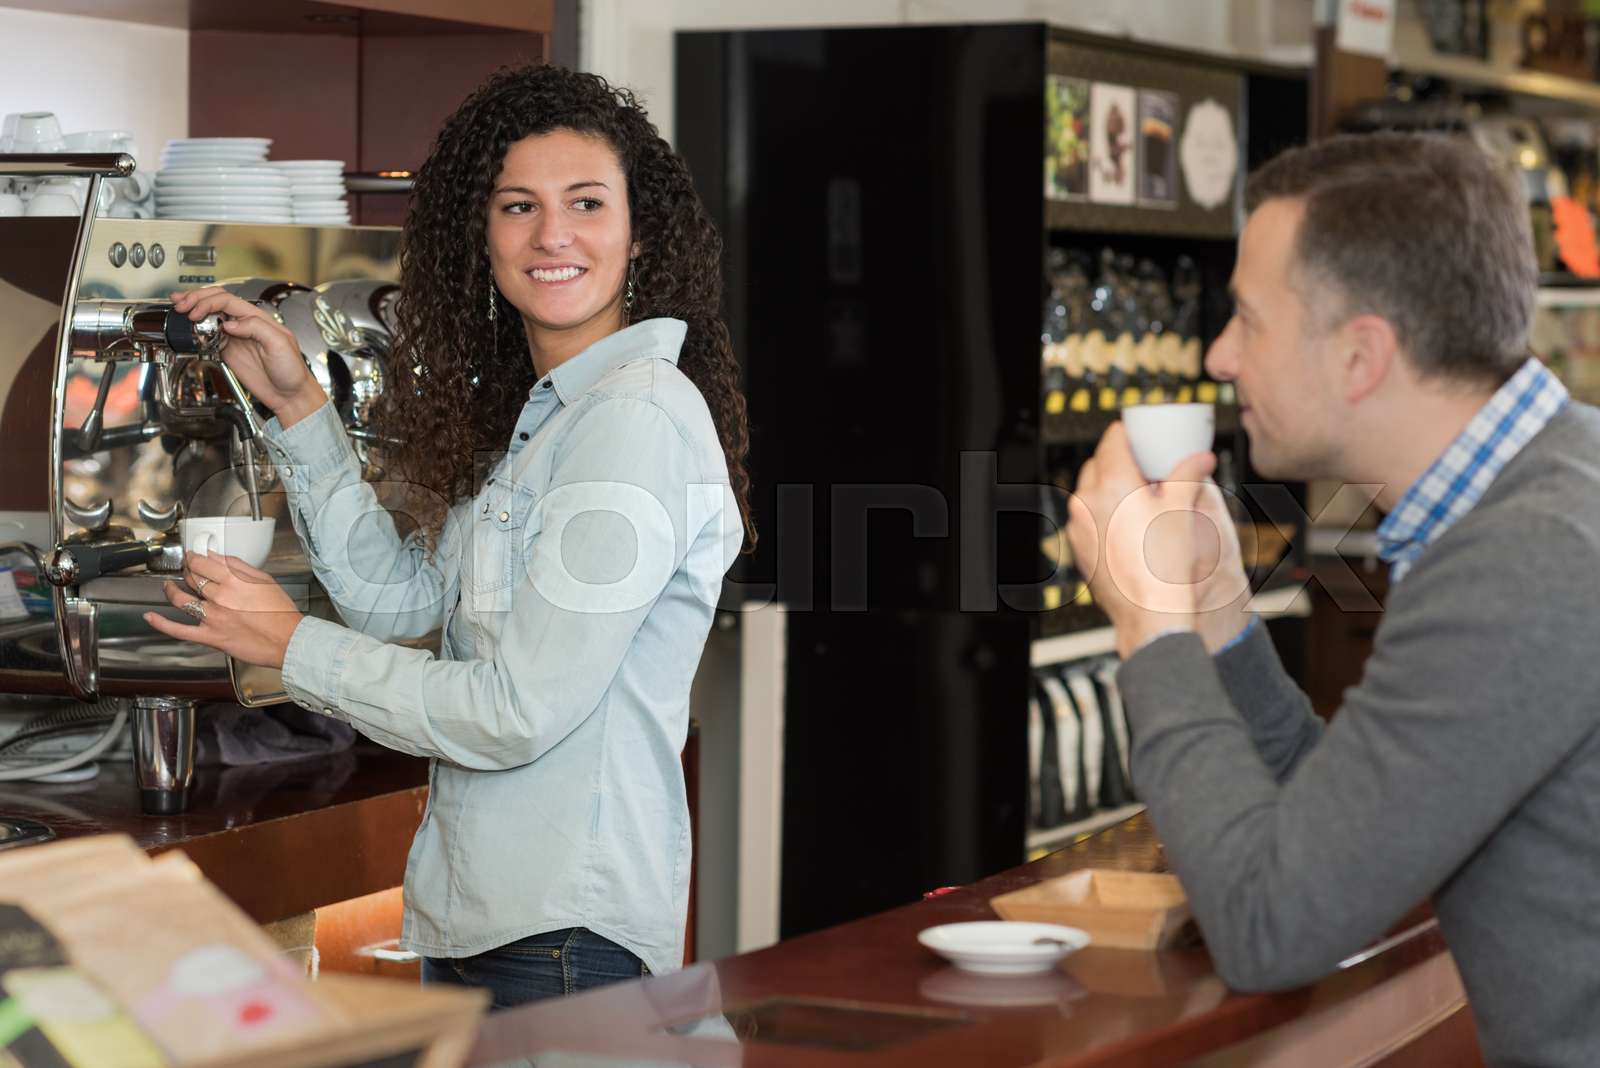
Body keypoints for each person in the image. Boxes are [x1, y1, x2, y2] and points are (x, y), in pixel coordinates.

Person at [144, 64, 754, 1009]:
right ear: (483, 237)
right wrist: (302, 407)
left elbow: (514, 712)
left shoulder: (634, 421)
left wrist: (288, 646)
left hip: (561, 943)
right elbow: (403, 609)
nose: (553, 235)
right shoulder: (550, 419)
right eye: (518, 206)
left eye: (586, 203)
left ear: (639, 234)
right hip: (489, 924)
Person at [1065, 132, 1600, 1067]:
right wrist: (1220, 615)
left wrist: (1151, 632)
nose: (1218, 356)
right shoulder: (1557, 481)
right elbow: (1355, 836)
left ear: (1360, 357)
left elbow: (1273, 923)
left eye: (1248, 320)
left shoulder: (1521, 559)